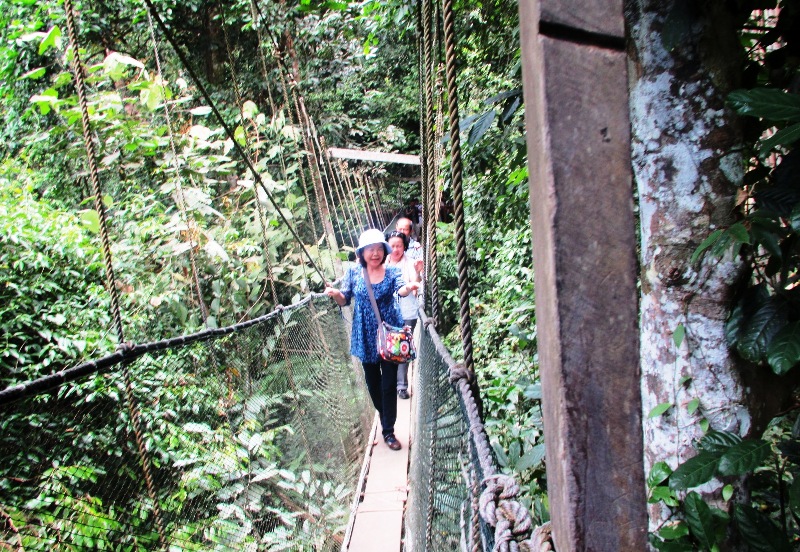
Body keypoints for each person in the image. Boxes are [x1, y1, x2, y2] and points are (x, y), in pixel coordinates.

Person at [325, 229, 421, 451]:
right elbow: (344, 300)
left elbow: (402, 289)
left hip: (389, 335)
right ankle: (384, 413)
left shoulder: (392, 271)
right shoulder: (353, 273)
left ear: (384, 251)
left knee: (389, 384)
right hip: (365, 335)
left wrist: (411, 285)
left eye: (379, 249)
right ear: (362, 253)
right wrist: (335, 294)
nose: (376, 253)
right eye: (371, 249)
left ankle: (388, 430)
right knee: (373, 383)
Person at [386, 231, 423, 400]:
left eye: (399, 246)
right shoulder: (381, 264)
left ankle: (401, 386)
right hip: (387, 313)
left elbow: (416, 283)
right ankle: (390, 382)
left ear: (404, 247)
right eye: (392, 246)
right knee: (388, 349)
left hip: (407, 311)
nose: (395, 249)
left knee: (403, 348)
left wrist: (418, 272)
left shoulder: (409, 263)